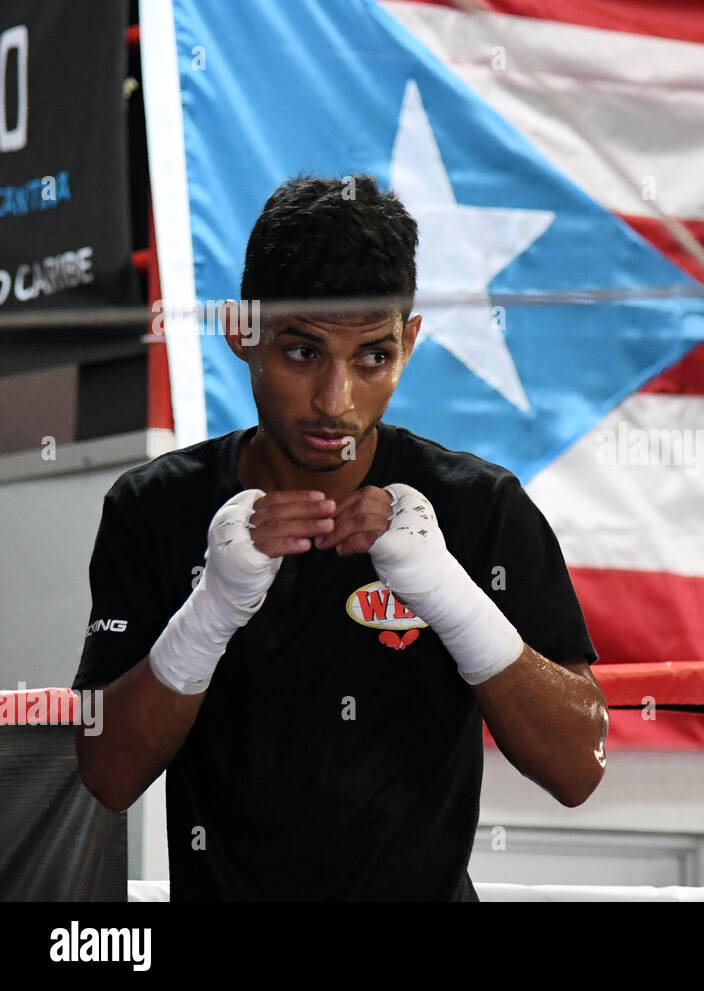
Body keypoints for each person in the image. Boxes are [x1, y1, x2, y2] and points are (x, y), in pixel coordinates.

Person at [72, 175, 607, 901]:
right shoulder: (156, 508)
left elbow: (579, 766)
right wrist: (210, 609)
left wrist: (450, 593)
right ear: (242, 329)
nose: (336, 400)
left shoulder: (479, 508)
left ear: (410, 341)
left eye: (372, 358)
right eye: (302, 353)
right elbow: (107, 774)